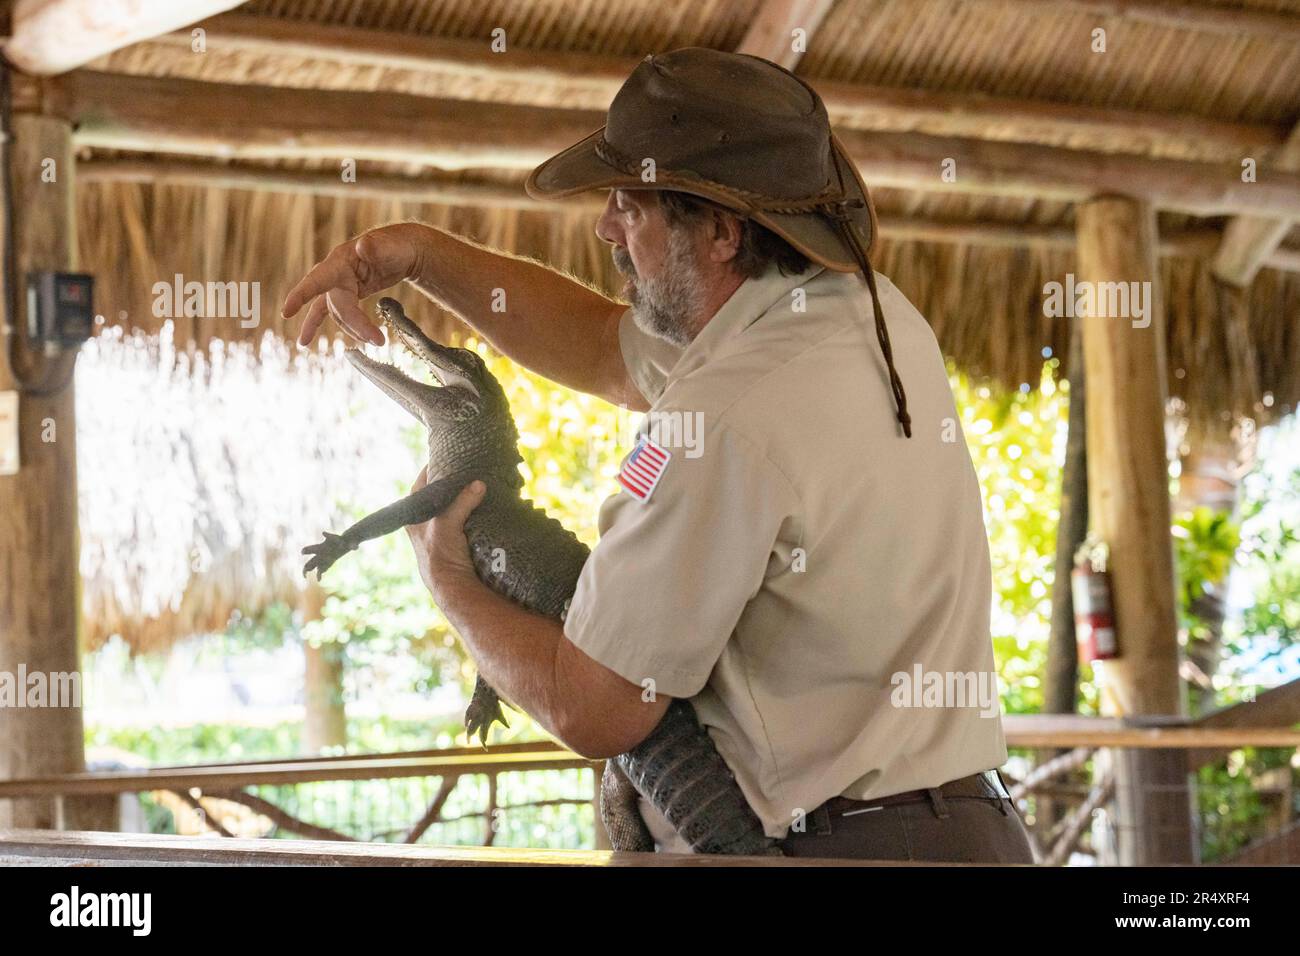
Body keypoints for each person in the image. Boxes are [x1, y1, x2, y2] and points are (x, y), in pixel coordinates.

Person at [282, 47, 1035, 862]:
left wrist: (447, 581)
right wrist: (419, 255)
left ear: (719, 229)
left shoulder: (719, 416)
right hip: (967, 834)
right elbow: (606, 351)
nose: (606, 225)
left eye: (631, 206)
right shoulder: (866, 316)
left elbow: (594, 709)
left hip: (835, 848)